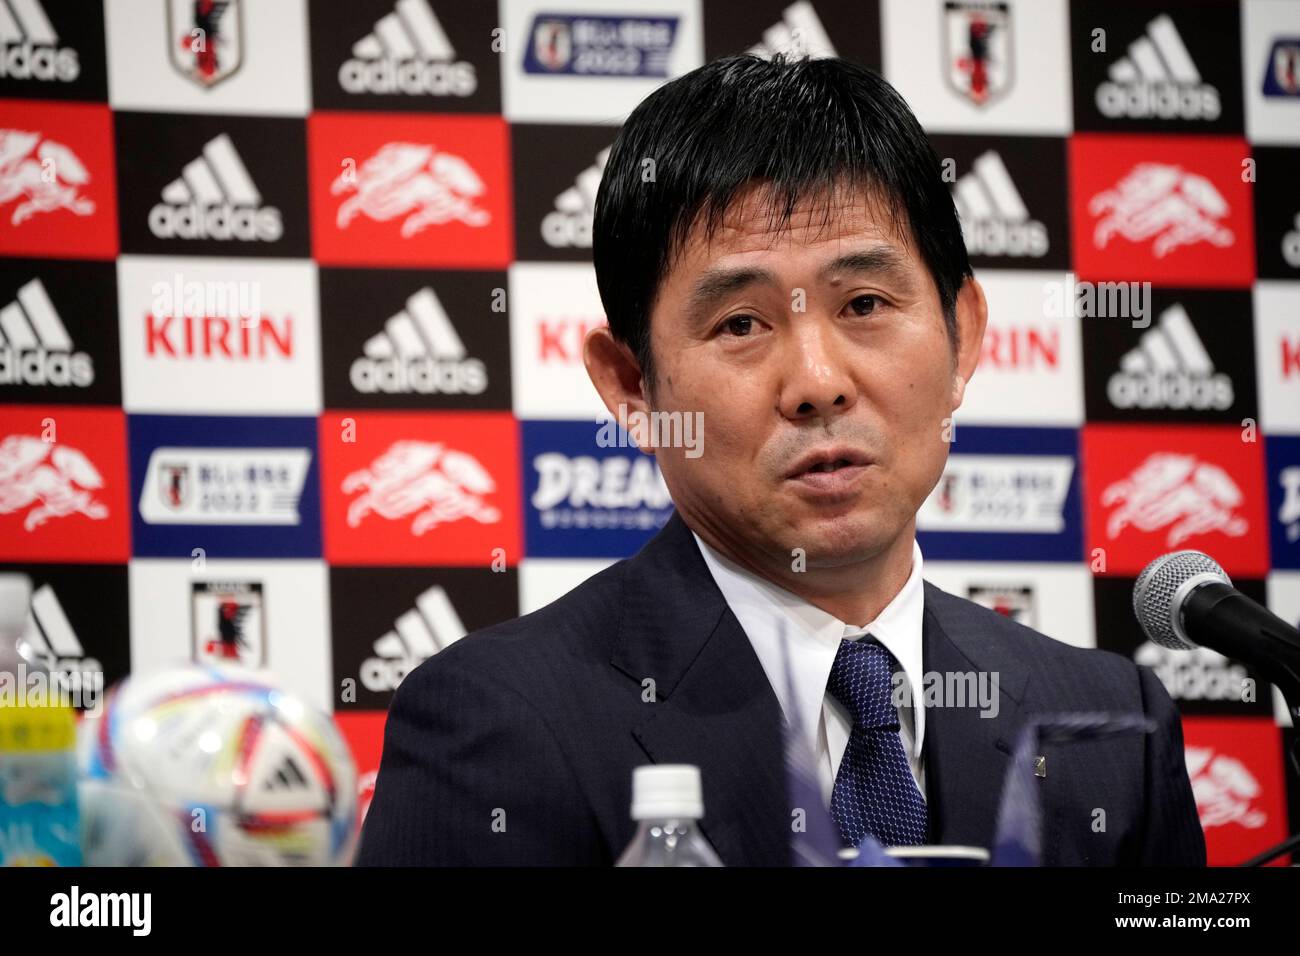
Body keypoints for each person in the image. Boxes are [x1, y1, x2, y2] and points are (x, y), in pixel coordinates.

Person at [356, 54, 1205, 867]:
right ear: (631, 386)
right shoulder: (499, 723)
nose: (818, 382)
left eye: (865, 303)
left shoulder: (1109, 728)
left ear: (963, 337)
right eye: (741, 324)